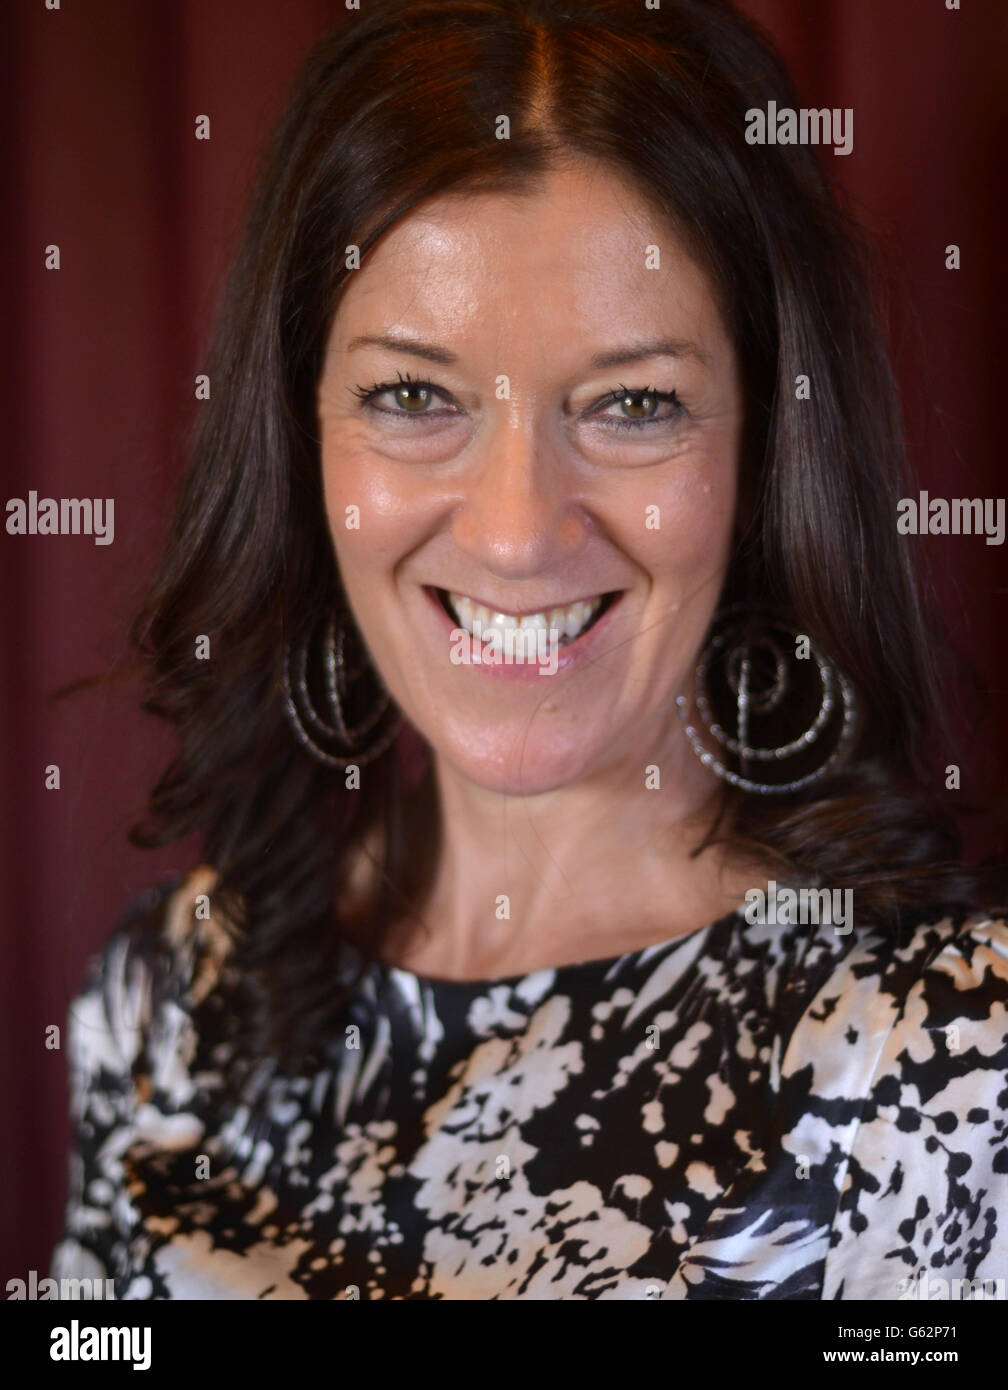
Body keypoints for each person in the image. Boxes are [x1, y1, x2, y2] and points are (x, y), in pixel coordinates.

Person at [51, 0, 1007, 1300]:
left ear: (767, 456)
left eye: (631, 404)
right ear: (299, 436)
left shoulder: (941, 1052)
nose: (513, 532)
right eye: (412, 396)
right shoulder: (171, 993)